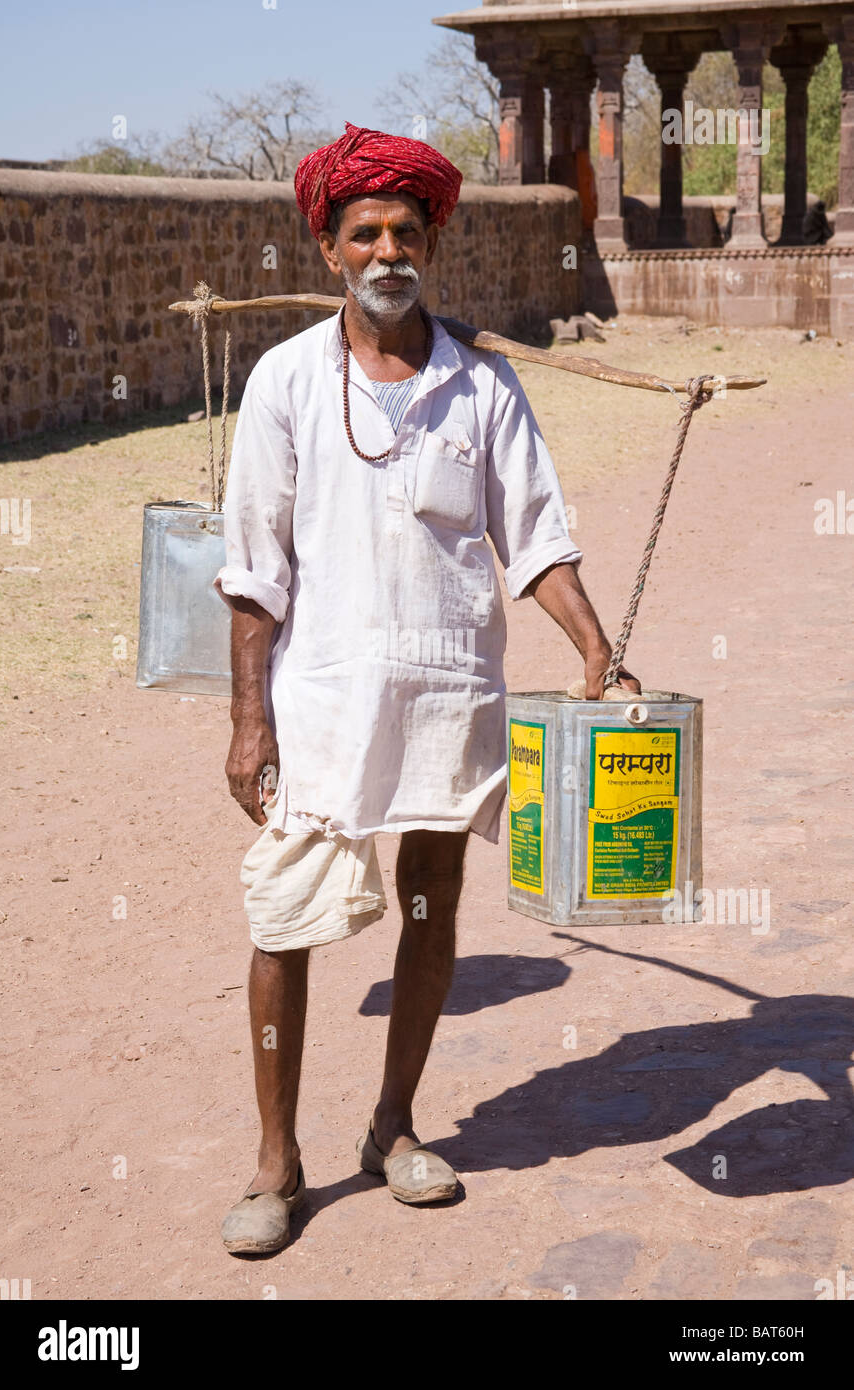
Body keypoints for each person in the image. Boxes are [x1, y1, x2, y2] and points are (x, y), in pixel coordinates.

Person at [214, 122, 640, 1256]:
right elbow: (253, 571)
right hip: (320, 700)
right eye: (366, 232)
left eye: (407, 230)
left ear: (432, 243)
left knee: (428, 906)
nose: (388, 249)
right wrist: (248, 716)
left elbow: (535, 540)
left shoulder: (483, 386)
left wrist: (595, 650)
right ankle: (274, 1158)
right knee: (283, 920)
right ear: (329, 252)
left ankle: (393, 1127)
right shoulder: (284, 382)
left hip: (452, 692)